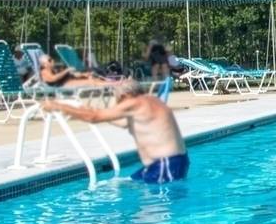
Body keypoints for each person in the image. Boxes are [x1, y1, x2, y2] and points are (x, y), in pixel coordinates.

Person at [42, 78, 189, 183]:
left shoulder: (134, 103)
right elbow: (123, 122)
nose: (117, 103)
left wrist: (58, 106)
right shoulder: (149, 102)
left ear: (124, 96)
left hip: (165, 165)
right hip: (168, 163)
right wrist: (82, 110)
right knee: (123, 182)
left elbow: (94, 117)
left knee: (153, 215)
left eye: (117, 99)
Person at [37, 54, 111, 88]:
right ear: (44, 64)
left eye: (52, 59)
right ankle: (113, 84)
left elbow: (71, 74)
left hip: (69, 80)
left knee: (93, 78)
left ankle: (111, 83)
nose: (52, 61)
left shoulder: (55, 69)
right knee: (92, 82)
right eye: (49, 60)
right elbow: (53, 79)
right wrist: (66, 70)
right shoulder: (44, 72)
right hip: (64, 84)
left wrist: (83, 74)